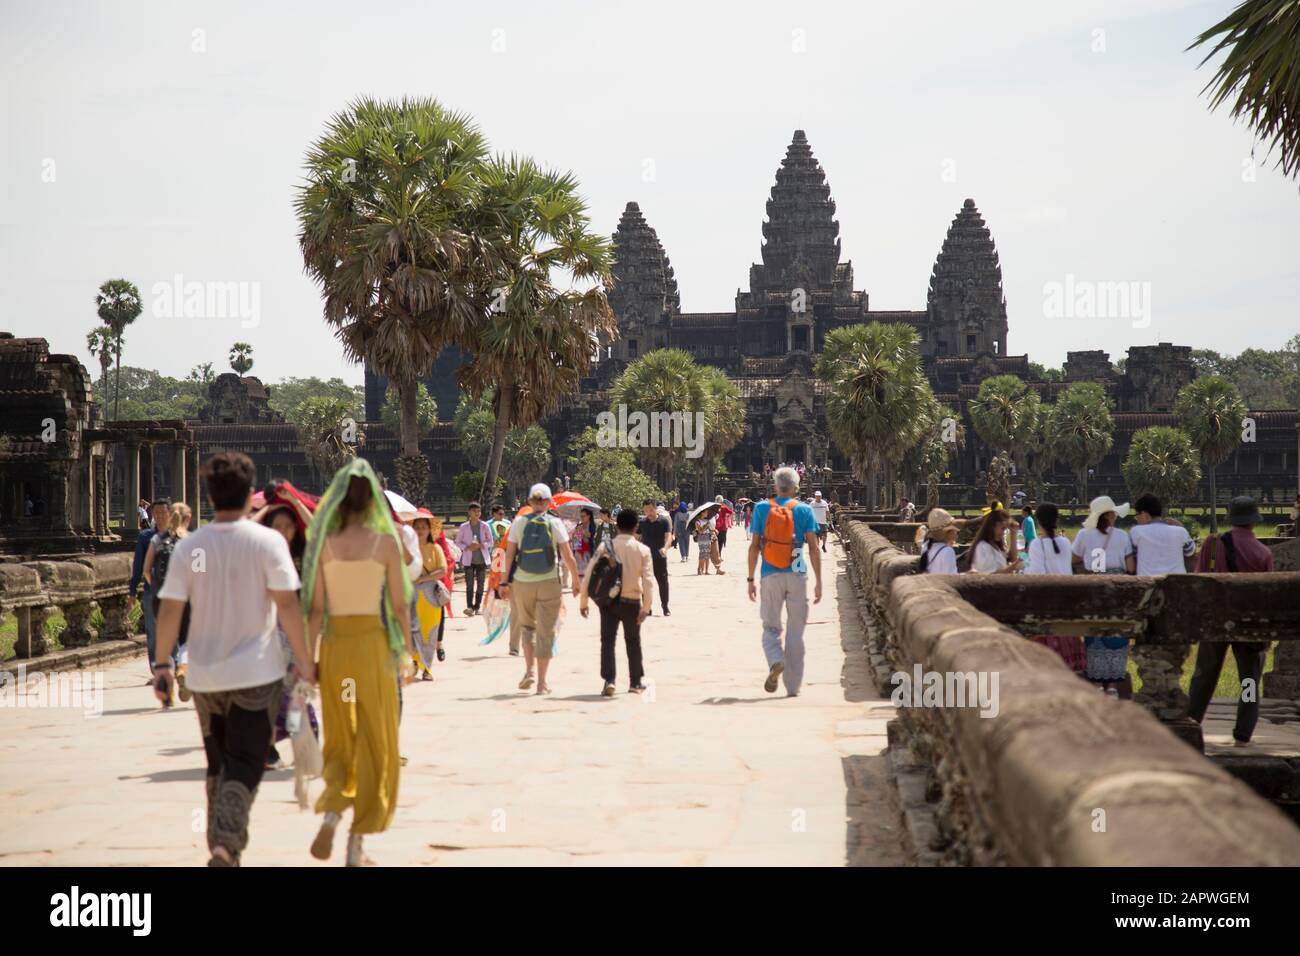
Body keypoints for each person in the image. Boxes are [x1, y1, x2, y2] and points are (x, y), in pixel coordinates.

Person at [152, 452, 313, 867]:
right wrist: (306, 661)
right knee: (245, 760)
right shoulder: (267, 542)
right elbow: (289, 607)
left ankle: (224, 847)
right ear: (248, 497)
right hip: (256, 672)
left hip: (205, 675)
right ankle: (226, 843)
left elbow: (169, 609)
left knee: (218, 760)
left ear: (209, 495)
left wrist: (163, 665)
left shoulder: (194, 545)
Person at [301, 460, 414, 866]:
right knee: (376, 737)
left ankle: (333, 811)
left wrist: (307, 661)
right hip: (371, 645)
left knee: (341, 732)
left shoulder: (326, 544)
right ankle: (357, 840)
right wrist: (407, 652)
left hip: (335, 648)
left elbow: (314, 610)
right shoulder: (384, 544)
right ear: (372, 503)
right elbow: (400, 605)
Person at [1188, 496, 1275, 746]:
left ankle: (1192, 721)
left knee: (1205, 675)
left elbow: (1200, 579)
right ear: (1253, 521)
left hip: (1216, 618)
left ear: (1232, 518)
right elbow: (1267, 596)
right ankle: (1244, 729)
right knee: (1248, 680)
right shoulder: (1263, 553)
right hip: (1248, 623)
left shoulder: (1213, 545)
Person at [747, 466, 823, 697]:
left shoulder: (761, 508)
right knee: (795, 631)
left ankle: (775, 659)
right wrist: (819, 581)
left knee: (770, 626)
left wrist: (750, 578)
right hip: (798, 570)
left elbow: (754, 546)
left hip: (769, 571)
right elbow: (813, 548)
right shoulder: (804, 509)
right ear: (796, 487)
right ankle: (793, 687)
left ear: (775, 486)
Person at [500, 484, 580, 695]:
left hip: (522, 582)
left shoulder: (518, 523)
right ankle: (542, 683)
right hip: (548, 581)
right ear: (548, 502)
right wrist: (575, 580)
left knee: (528, 627)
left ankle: (530, 671)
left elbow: (509, 555)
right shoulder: (554, 523)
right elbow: (567, 554)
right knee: (546, 632)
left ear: (529, 501)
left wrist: (504, 581)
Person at [579, 507, 654, 696]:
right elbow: (648, 580)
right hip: (632, 600)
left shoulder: (606, 547)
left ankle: (609, 681)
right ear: (636, 526)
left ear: (617, 525)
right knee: (633, 641)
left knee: (607, 641)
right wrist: (647, 607)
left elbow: (589, 572)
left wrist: (583, 601)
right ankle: (635, 682)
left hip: (609, 601)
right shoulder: (642, 549)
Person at [1071, 496, 1135, 696]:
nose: (1116, 516)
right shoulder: (1123, 536)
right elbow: (1131, 567)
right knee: (1117, 633)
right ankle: (1113, 685)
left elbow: (1074, 559)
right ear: (1108, 515)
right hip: (1117, 588)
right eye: (1113, 512)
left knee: (1093, 633)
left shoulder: (1083, 535)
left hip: (1093, 588)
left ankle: (1096, 682)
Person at [1022, 502, 1086, 674]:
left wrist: (1023, 571)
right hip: (1066, 599)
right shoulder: (1065, 542)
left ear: (1038, 521)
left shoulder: (1037, 544)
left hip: (1046, 602)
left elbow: (1036, 574)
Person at [142, 502, 194, 702]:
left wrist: (157, 588)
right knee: (186, 641)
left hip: (161, 596)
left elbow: (147, 570)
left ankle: (166, 686)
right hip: (186, 599)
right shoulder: (193, 541)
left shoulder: (157, 539)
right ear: (187, 519)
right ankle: (183, 668)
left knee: (165, 643)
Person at [131, 498, 174, 682]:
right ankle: (157, 671)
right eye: (156, 513)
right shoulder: (146, 537)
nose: (160, 516)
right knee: (153, 632)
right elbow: (139, 566)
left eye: (163, 513)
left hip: (175, 593)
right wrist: (132, 590)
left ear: (170, 514)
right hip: (152, 591)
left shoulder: (179, 537)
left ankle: (173, 668)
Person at [409, 509, 447, 681]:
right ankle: (415, 662)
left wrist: (425, 577)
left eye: (423, 527)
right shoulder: (408, 549)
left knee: (430, 633)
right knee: (414, 631)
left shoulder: (435, 548)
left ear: (429, 530)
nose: (420, 530)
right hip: (412, 595)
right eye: (417, 527)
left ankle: (427, 668)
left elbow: (443, 570)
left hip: (431, 596)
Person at [1128, 494, 1195, 575]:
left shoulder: (1136, 531)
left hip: (1148, 584)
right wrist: (1180, 525)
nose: (1136, 519)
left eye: (1136, 515)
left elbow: (1130, 556)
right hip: (1177, 584)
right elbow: (1190, 551)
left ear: (1144, 514)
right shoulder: (1180, 531)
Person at [455, 501, 495, 617]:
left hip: (482, 559)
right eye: (474, 511)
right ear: (469, 513)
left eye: (478, 511)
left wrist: (481, 545)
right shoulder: (464, 527)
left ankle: (477, 607)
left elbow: (490, 542)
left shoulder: (484, 526)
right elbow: (458, 542)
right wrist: (467, 547)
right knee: (469, 585)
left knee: (481, 585)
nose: (477, 513)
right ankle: (469, 607)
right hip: (468, 560)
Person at [637, 498, 674, 616]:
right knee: (645, 584)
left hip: (659, 557)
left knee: (663, 583)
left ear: (655, 508)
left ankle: (665, 607)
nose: (648, 513)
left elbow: (668, 537)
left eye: (651, 510)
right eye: (646, 510)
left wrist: (665, 548)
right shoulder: (642, 523)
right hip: (645, 558)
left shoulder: (664, 521)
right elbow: (635, 537)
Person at [968, 506, 1023, 574]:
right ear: (992, 527)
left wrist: (1013, 533)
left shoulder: (997, 547)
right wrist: (1013, 566)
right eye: (1002, 528)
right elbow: (991, 575)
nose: (1004, 533)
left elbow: (1012, 558)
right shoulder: (983, 547)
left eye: (1006, 529)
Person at [914, 508, 961, 574]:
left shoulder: (926, 546)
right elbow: (951, 580)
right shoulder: (948, 551)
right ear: (948, 532)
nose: (956, 531)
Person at [571, 507, 597, 579]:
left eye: (583, 516)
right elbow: (576, 539)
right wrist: (576, 532)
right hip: (579, 551)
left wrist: (582, 530)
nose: (581, 518)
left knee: (589, 571)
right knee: (580, 572)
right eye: (581, 516)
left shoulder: (592, 525)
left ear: (588, 516)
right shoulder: (579, 525)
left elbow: (590, 535)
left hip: (588, 551)